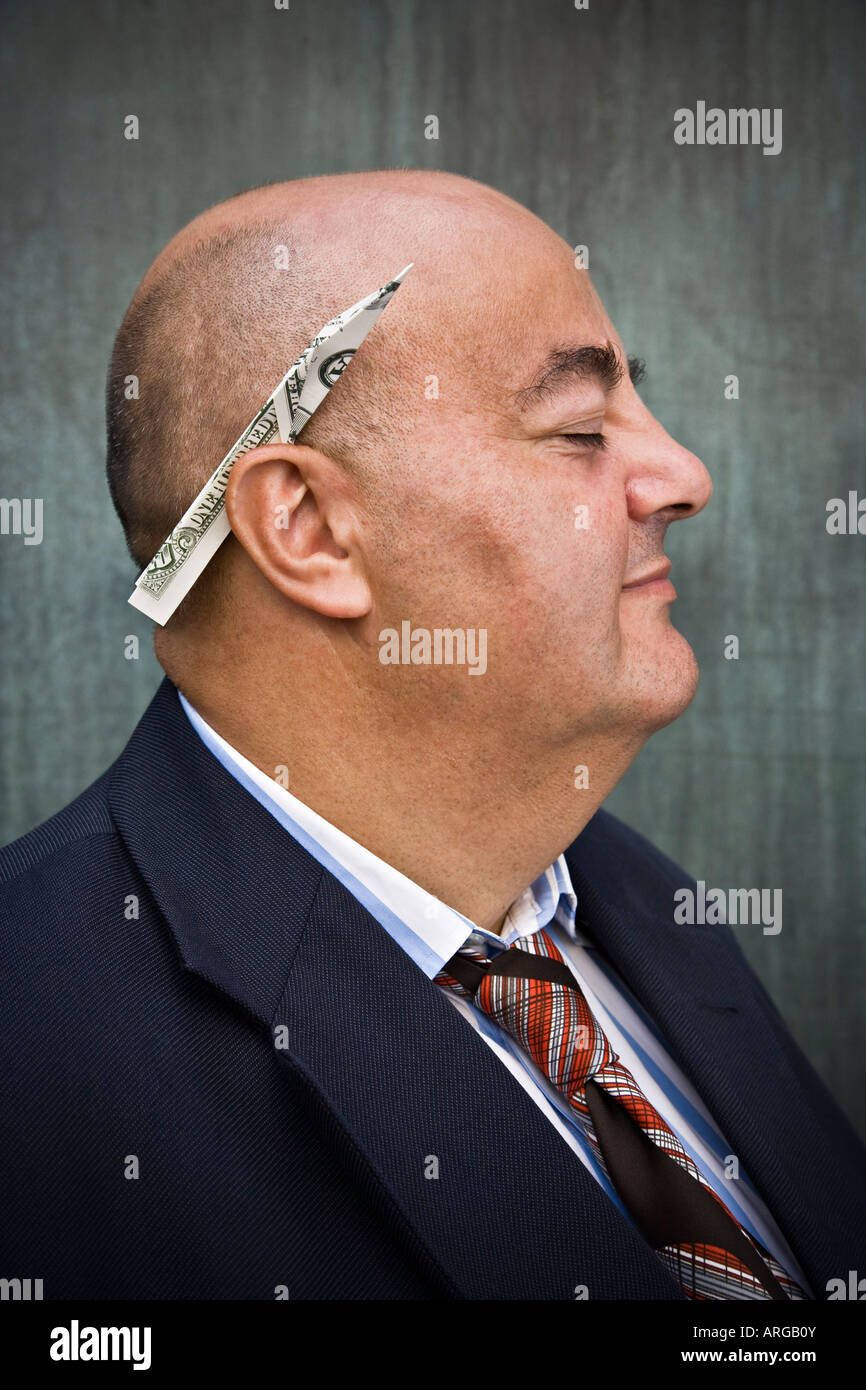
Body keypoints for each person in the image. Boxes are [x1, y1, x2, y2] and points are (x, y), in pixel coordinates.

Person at [1, 170, 864, 1301]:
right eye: (579, 428)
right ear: (308, 529)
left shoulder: (633, 905)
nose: (682, 476)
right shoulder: (36, 1052)